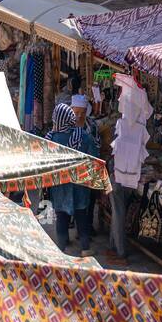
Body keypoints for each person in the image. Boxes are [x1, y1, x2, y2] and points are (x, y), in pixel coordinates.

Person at [46, 104, 100, 257]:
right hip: (80, 184)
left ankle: (62, 248)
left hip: (60, 185)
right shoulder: (83, 135)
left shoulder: (50, 138)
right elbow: (94, 156)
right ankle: (85, 248)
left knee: (61, 216)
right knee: (81, 215)